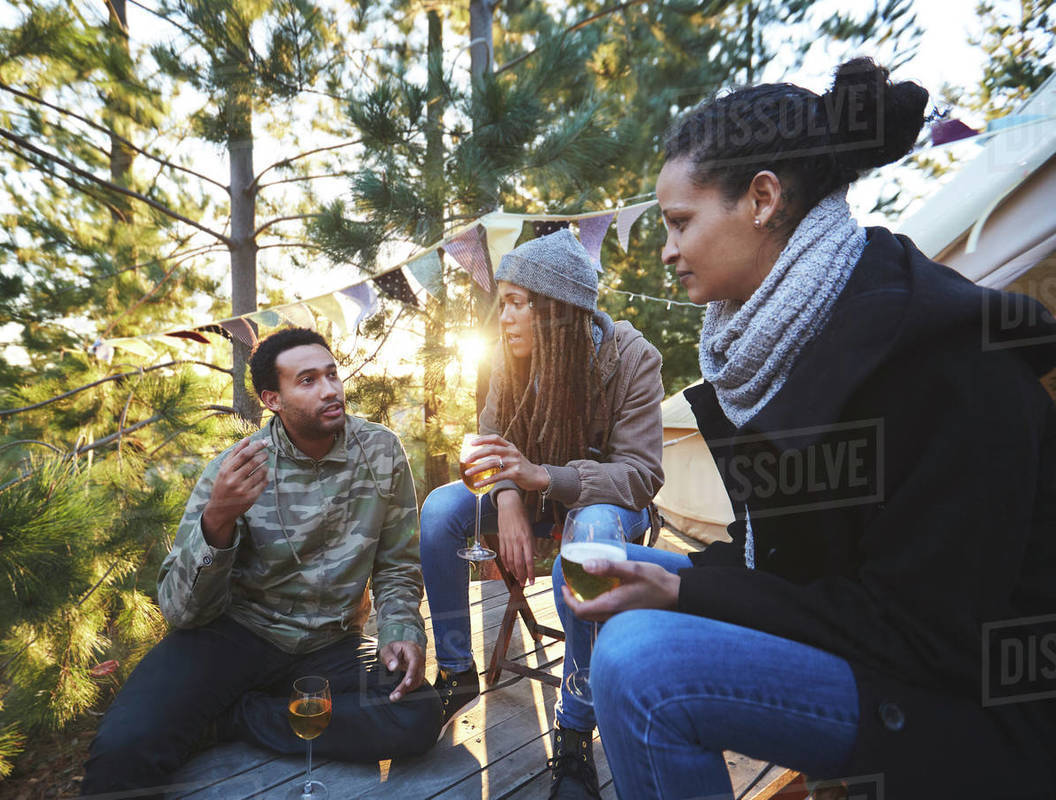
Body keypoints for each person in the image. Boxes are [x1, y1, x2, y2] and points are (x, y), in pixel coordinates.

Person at [558, 58, 1056, 799]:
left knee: (642, 665)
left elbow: (921, 632)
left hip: (980, 708)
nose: (665, 251)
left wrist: (684, 591)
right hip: (877, 638)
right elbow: (793, 556)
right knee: (603, 563)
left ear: (762, 198)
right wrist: (666, 576)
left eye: (680, 223)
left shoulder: (942, 357)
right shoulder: (777, 345)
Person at [81, 328, 441, 798]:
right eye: (308, 380)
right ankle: (258, 709)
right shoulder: (236, 469)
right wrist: (219, 519)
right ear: (272, 398)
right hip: (234, 637)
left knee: (418, 713)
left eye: (332, 374)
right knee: (121, 750)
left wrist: (400, 630)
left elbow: (397, 566)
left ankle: (236, 717)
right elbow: (180, 611)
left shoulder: (381, 450)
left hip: (331, 643)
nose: (331, 389)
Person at [419, 228, 665, 799]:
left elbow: (640, 474)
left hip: (603, 503)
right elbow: (490, 434)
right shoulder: (512, 357)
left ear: (556, 309)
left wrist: (543, 477)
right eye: (499, 300)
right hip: (526, 495)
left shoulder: (632, 358)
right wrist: (507, 496)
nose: (501, 317)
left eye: (514, 302)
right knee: (439, 511)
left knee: (594, 536)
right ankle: (456, 672)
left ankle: (576, 726)